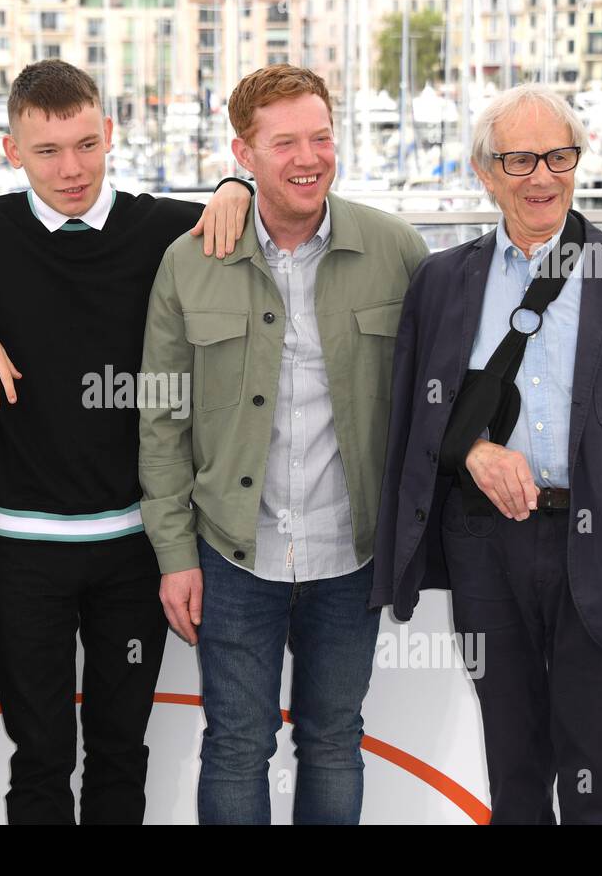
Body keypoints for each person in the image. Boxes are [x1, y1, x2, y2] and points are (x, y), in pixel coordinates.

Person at [0, 59, 252, 825]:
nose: (70, 168)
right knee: (38, 755)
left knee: (119, 747)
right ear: (12, 151)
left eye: (84, 144)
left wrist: (234, 187)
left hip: (139, 543)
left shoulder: (166, 226)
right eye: (47, 151)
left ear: (108, 133)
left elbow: (260, 206)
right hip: (26, 547)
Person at [372, 83, 602, 824]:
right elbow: (417, 423)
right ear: (484, 173)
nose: (542, 177)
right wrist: (476, 455)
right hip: (488, 553)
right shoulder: (442, 281)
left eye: (558, 156)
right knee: (516, 779)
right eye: (519, 159)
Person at [139, 63, 428, 825]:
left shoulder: (396, 248)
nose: (309, 157)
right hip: (234, 553)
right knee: (237, 742)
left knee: (334, 738)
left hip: (352, 552)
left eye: (322, 136)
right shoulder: (187, 262)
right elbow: (161, 417)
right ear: (243, 153)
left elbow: (438, 400)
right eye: (285, 142)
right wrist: (174, 553)